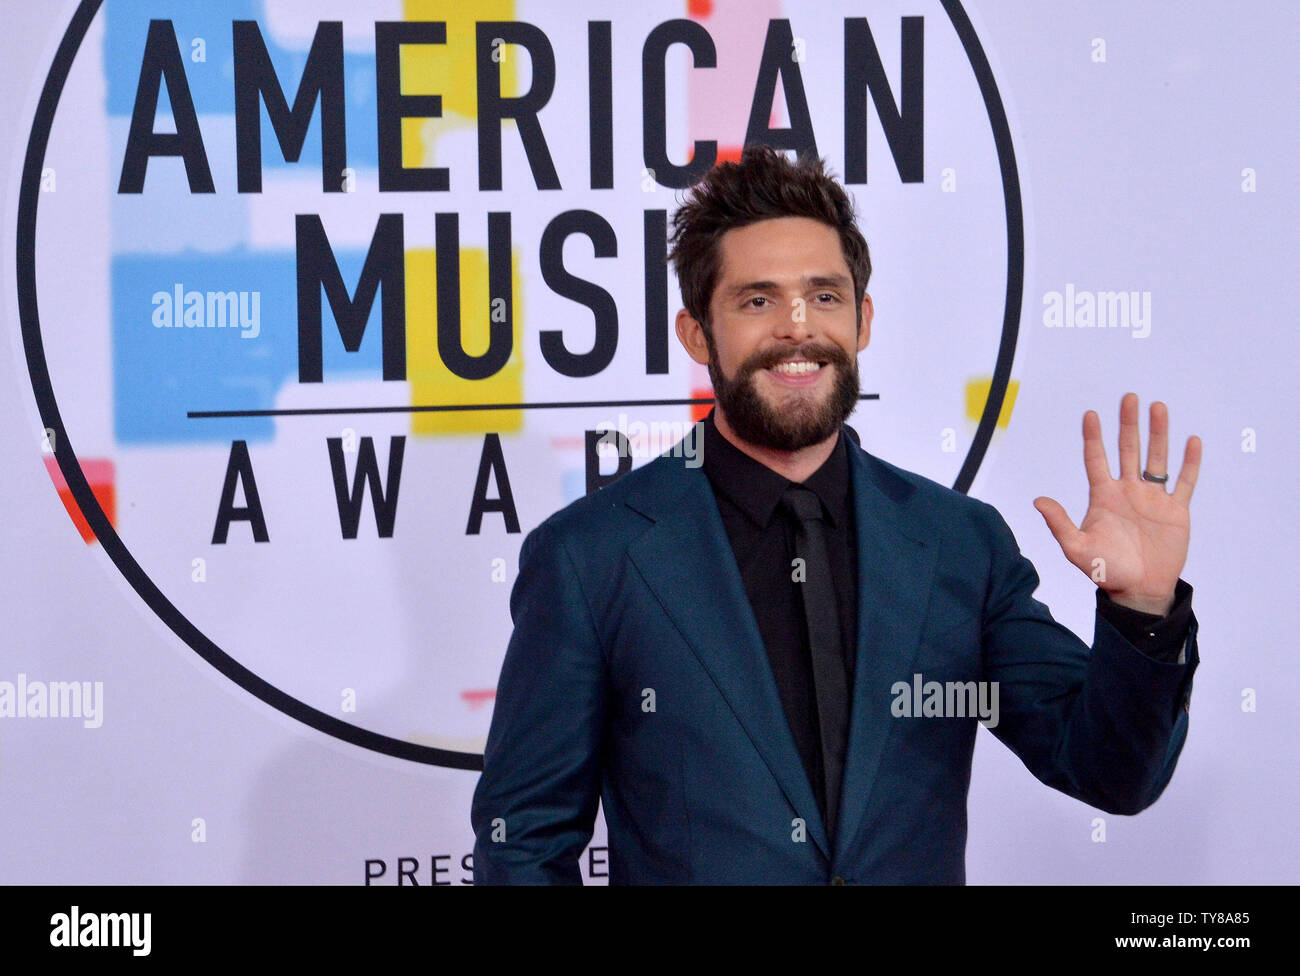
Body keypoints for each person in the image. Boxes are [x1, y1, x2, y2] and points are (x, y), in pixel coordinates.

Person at [470, 145, 1200, 884]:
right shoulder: (593, 557)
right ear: (697, 334)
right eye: (757, 300)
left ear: (863, 320)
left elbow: (1109, 772)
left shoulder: (957, 543)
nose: (798, 328)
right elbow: (523, 843)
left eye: (824, 296)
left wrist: (1143, 607)